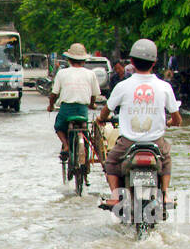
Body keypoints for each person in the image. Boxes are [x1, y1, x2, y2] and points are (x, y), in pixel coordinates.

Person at [96, 38, 181, 208]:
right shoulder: (164, 86)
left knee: (111, 162)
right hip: (156, 143)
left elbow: (106, 110)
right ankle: (164, 194)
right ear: (155, 63)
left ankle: (116, 197)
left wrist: (101, 119)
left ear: (132, 62)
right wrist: (171, 122)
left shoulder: (122, 86)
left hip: (128, 143)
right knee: (166, 161)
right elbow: (177, 118)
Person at [48, 42, 101, 160]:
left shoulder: (62, 73)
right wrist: (92, 104)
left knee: (58, 127)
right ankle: (85, 153)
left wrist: (50, 106)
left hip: (66, 109)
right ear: (83, 60)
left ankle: (66, 146)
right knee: (84, 129)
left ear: (69, 59)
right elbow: (93, 95)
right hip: (82, 109)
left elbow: (54, 94)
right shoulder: (90, 74)